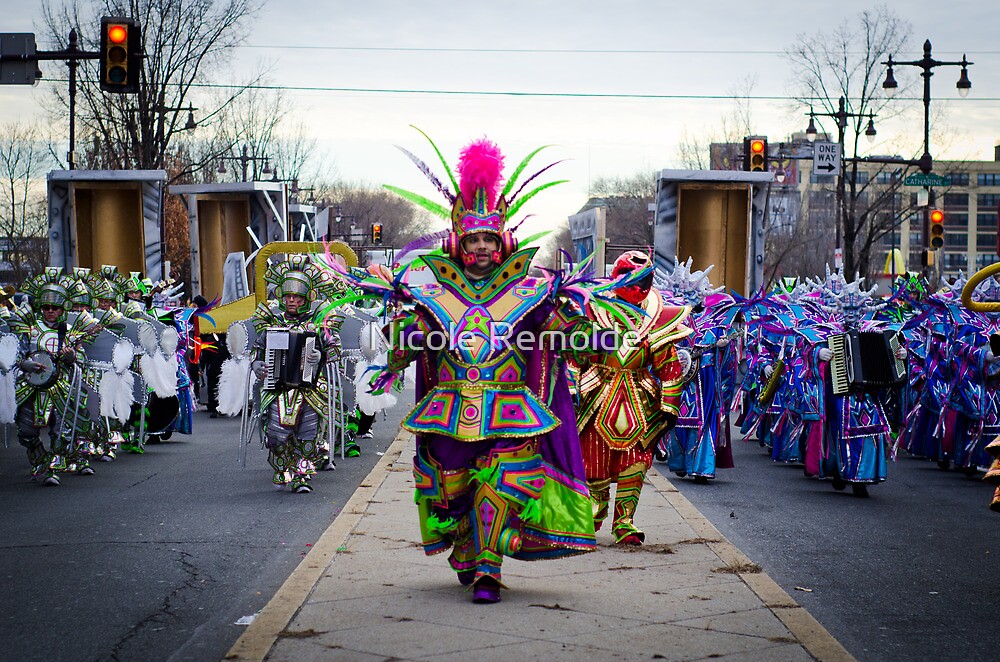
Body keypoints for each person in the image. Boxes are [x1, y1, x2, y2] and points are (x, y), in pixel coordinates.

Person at [360, 136, 600, 604]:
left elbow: (567, 336)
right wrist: (396, 326)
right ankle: (469, 548)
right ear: (459, 242)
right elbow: (407, 345)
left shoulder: (529, 290)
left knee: (500, 476)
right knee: (450, 488)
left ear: (503, 240)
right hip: (449, 409)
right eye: (475, 239)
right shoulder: (433, 293)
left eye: (490, 238)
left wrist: (588, 331)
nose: (484, 247)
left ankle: (490, 567)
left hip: (511, 408)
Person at [574, 251, 690, 544]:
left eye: (644, 280)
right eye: (632, 279)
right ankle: (592, 515)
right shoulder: (592, 311)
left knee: (636, 461)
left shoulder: (658, 317)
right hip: (596, 395)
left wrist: (669, 404)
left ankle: (624, 522)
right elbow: (574, 357)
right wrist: (570, 391)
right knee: (593, 459)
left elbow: (669, 366)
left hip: (640, 399)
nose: (638, 286)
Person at [250, 255, 340, 493]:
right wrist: (257, 365)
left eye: (297, 296)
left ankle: (302, 475)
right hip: (277, 388)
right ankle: (282, 467)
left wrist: (321, 356)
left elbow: (334, 349)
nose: (291, 300)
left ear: (307, 297)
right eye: (288, 296)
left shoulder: (319, 323)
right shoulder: (272, 322)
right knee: (275, 434)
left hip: (310, 389)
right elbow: (257, 350)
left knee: (308, 434)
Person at [10, 269, 101, 485]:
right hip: (31, 387)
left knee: (62, 431)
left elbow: (82, 358)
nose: (50, 311)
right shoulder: (29, 329)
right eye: (46, 307)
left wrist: (71, 357)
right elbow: (15, 354)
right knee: (25, 432)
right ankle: (41, 462)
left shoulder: (68, 331)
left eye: (55, 307)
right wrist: (24, 363)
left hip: (60, 386)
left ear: (62, 309)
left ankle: (53, 469)